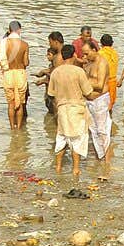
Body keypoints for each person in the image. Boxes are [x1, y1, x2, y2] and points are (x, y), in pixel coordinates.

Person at [47, 43, 93, 181]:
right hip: (76, 109)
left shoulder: (56, 72)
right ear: (74, 55)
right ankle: (76, 169)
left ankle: (58, 168)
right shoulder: (78, 71)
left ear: (62, 56)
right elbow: (88, 92)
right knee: (76, 140)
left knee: (61, 138)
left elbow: (51, 94)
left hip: (62, 109)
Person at [82, 38, 113, 160]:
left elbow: (100, 85)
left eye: (87, 53)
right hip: (89, 100)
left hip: (100, 100)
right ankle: (99, 157)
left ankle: (107, 161)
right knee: (93, 130)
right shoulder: (88, 63)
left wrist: (83, 82)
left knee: (102, 130)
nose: (85, 56)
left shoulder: (102, 63)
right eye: (83, 54)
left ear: (94, 50)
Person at [0, 21, 30, 130]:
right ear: (19, 30)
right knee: (20, 103)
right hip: (20, 74)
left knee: (11, 104)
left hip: (8, 74)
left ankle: (12, 128)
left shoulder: (3, 43)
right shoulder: (24, 44)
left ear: (9, 30)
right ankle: (19, 129)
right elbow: (26, 63)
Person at [37, 32, 65, 114]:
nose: (50, 45)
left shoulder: (59, 57)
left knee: (57, 109)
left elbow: (57, 75)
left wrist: (44, 80)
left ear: (56, 42)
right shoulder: (66, 53)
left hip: (59, 89)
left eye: (50, 42)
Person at [99, 32, 119, 108]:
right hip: (113, 81)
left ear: (101, 43)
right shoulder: (115, 53)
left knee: (104, 104)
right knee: (111, 102)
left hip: (104, 81)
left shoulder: (100, 53)